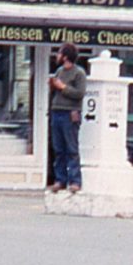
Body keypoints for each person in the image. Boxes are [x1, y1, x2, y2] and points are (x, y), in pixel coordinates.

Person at [48, 42, 88, 194]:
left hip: (70, 113)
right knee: (58, 149)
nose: (57, 56)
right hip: (56, 111)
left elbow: (79, 93)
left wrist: (62, 87)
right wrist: (53, 86)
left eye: (59, 53)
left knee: (71, 148)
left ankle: (75, 181)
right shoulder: (59, 71)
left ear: (66, 56)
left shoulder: (79, 73)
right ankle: (60, 180)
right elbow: (56, 90)